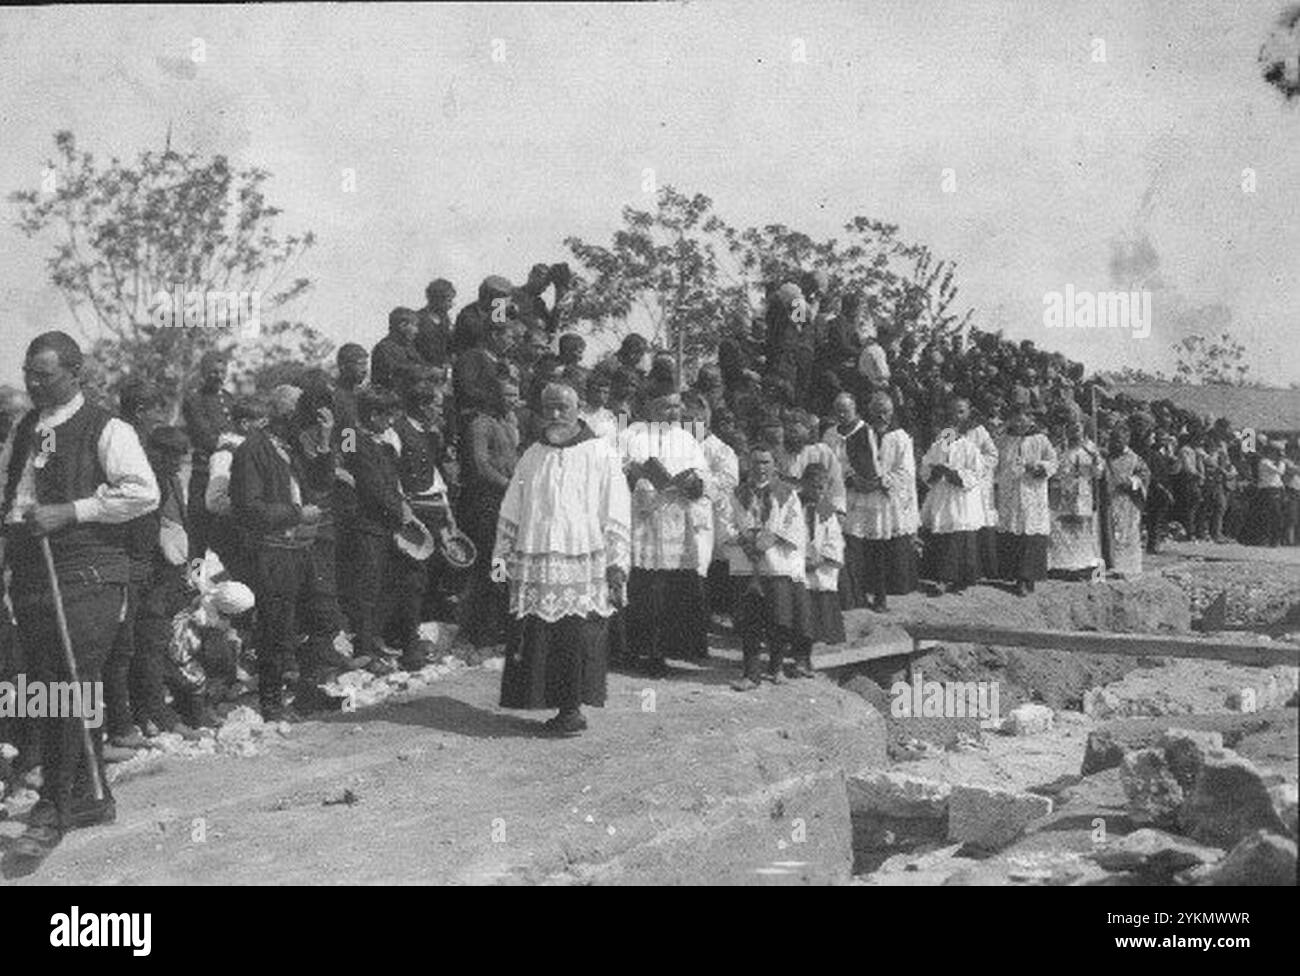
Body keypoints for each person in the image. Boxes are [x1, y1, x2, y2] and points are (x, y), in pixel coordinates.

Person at [0, 331, 159, 869]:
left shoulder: (107, 426)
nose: (33, 381)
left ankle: (50, 808)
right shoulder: (27, 428)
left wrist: (72, 511)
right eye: (28, 371)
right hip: (33, 572)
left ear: (75, 373)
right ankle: (91, 795)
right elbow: (15, 497)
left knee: (70, 681)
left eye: (43, 373)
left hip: (88, 572)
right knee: (50, 680)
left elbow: (143, 492)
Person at [493, 384, 630, 735]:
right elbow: (511, 508)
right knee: (539, 637)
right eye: (548, 408)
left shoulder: (601, 453)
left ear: (578, 409)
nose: (554, 415)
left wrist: (617, 563)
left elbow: (616, 512)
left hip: (583, 564)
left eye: (562, 408)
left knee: (575, 637)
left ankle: (572, 710)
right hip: (535, 561)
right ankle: (551, 706)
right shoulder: (532, 455)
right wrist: (502, 558)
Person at [230, 385, 347, 720]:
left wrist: (325, 440)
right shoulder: (253, 449)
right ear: (284, 416)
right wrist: (296, 515)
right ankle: (271, 702)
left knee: (321, 618)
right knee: (275, 629)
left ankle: (307, 692)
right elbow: (248, 509)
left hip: (303, 548)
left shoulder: (292, 445)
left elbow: (321, 486)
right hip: (272, 552)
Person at [619, 393, 711, 673]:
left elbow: (703, 476)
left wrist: (695, 483)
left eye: (675, 406)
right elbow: (615, 467)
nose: (672, 411)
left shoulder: (686, 438)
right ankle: (636, 650)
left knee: (672, 587)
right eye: (665, 406)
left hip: (674, 519)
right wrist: (634, 474)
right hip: (643, 519)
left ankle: (666, 651)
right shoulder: (631, 434)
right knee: (643, 586)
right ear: (650, 406)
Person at [342, 388, 430, 672]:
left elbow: (391, 485)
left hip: (385, 523)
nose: (391, 423)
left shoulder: (381, 444)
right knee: (366, 588)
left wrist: (404, 508)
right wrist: (401, 512)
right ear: (372, 414)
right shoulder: (352, 438)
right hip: (365, 525)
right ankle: (365, 651)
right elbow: (369, 485)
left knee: (399, 582)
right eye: (387, 416)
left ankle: (401, 643)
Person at [724, 444, 808, 691]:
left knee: (778, 619)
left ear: (775, 466)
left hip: (774, 563)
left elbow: (794, 522)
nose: (761, 468)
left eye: (766, 462)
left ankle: (777, 666)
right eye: (756, 462)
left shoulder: (787, 493)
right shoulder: (738, 493)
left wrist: (771, 539)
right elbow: (725, 521)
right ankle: (750, 673)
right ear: (749, 465)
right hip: (746, 562)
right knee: (749, 620)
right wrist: (743, 539)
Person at [457, 378, 520, 646]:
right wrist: (508, 485)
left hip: (507, 502)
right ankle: (481, 630)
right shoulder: (480, 424)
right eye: (507, 395)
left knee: (503, 564)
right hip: (486, 503)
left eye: (516, 395)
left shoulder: (507, 423)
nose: (512, 400)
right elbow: (481, 465)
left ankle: (498, 625)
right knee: (489, 565)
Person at [850, 391, 918, 612]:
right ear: (869, 412)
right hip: (860, 498)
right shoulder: (858, 433)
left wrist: (881, 482)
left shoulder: (900, 438)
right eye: (877, 412)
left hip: (884, 500)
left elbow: (906, 472)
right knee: (859, 547)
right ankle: (857, 593)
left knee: (880, 548)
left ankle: (880, 596)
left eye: (886, 412)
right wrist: (855, 480)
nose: (881, 417)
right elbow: (844, 460)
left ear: (892, 412)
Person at [919, 397, 990, 593]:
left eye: (960, 412)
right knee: (945, 533)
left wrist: (955, 475)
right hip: (944, 493)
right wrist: (935, 471)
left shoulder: (974, 438)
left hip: (962, 495)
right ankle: (943, 577)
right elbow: (931, 461)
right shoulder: (945, 438)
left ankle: (964, 577)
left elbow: (977, 470)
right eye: (952, 412)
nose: (955, 416)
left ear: (968, 414)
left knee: (962, 533)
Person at [994, 407, 1057, 595]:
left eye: (1024, 420)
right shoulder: (1003, 440)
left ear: (1031, 420)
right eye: (1016, 420)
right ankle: (1014, 576)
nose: (1020, 424)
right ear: (1011, 420)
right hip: (1010, 493)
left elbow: (1053, 461)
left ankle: (1027, 577)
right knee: (1013, 531)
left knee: (1031, 533)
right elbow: (995, 463)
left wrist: (1039, 467)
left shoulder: (1040, 439)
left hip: (1032, 492)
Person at [792, 462, 844, 677]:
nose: (817, 491)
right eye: (813, 486)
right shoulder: (792, 505)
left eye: (822, 488)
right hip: (796, 567)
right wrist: (800, 560)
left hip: (819, 569)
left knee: (814, 619)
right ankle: (796, 657)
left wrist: (821, 559)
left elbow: (834, 539)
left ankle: (805, 658)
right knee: (798, 616)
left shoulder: (825, 508)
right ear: (803, 484)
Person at [182, 350, 234, 557]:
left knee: (228, 535)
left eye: (222, 372)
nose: (218, 376)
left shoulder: (230, 399)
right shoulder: (194, 400)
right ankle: (193, 582)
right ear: (203, 373)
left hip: (227, 473)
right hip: (204, 472)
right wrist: (232, 442)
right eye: (213, 372)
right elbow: (206, 438)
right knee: (198, 536)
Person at [1048, 418, 1102, 579]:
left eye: (1078, 428)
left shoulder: (1091, 449)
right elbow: (1053, 469)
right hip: (1063, 494)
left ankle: (1087, 567)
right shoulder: (1059, 449)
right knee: (1062, 529)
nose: (1075, 432)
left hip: (1083, 493)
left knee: (1083, 531)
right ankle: (1062, 566)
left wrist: (1095, 460)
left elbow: (1098, 473)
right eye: (1071, 428)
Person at [1103, 422, 1151, 576]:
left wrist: (1131, 482)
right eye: (1113, 439)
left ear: (1127, 439)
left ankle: (1128, 567)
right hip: (1110, 501)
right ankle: (1111, 565)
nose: (1116, 442)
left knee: (1127, 533)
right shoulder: (1106, 457)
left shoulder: (1135, 459)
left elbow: (1144, 476)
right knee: (1110, 533)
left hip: (1128, 502)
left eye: (1119, 439)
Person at [371, 307, 436, 395]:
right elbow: (399, 372)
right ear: (402, 326)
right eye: (415, 325)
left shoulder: (408, 347)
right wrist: (428, 372)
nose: (417, 331)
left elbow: (421, 364)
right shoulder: (384, 349)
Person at [452, 275, 515, 355]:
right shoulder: (468, 314)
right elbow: (479, 334)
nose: (503, 304)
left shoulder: (497, 313)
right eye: (501, 300)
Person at [414, 278, 457, 368]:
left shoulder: (445, 319)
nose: (451, 305)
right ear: (437, 300)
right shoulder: (418, 320)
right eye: (448, 300)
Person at [332, 343, 369, 442]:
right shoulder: (336, 396)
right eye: (360, 364)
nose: (365, 370)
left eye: (365, 364)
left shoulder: (361, 395)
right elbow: (348, 442)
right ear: (343, 366)